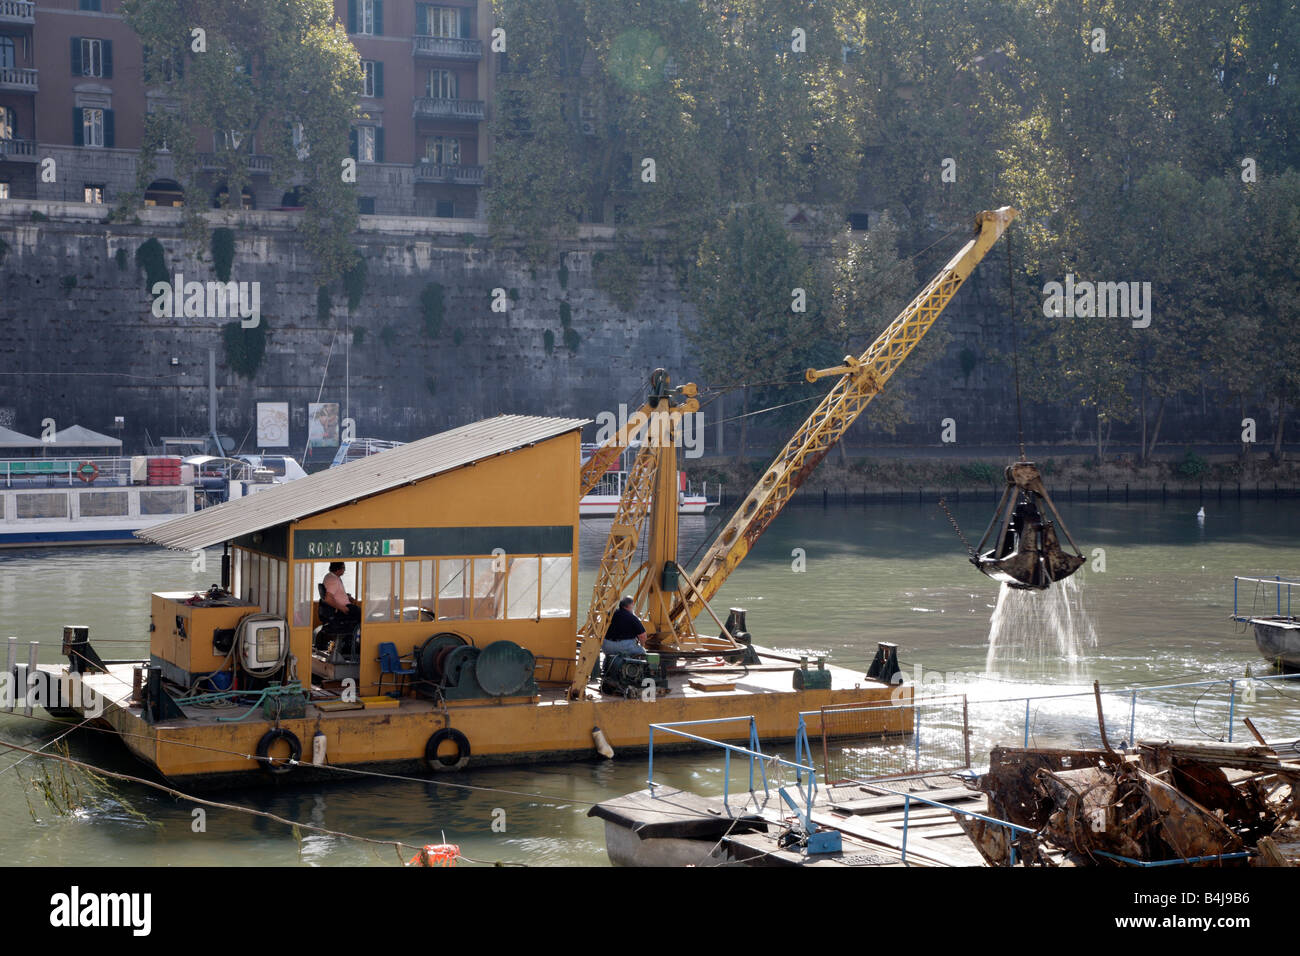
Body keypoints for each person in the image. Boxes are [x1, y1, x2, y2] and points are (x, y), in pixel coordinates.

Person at [602, 596, 647, 663]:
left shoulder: (610, 614)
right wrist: (642, 645)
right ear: (629, 606)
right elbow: (642, 636)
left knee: (608, 654)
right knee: (642, 651)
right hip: (624, 647)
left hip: (607, 647)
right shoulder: (632, 617)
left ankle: (606, 665)